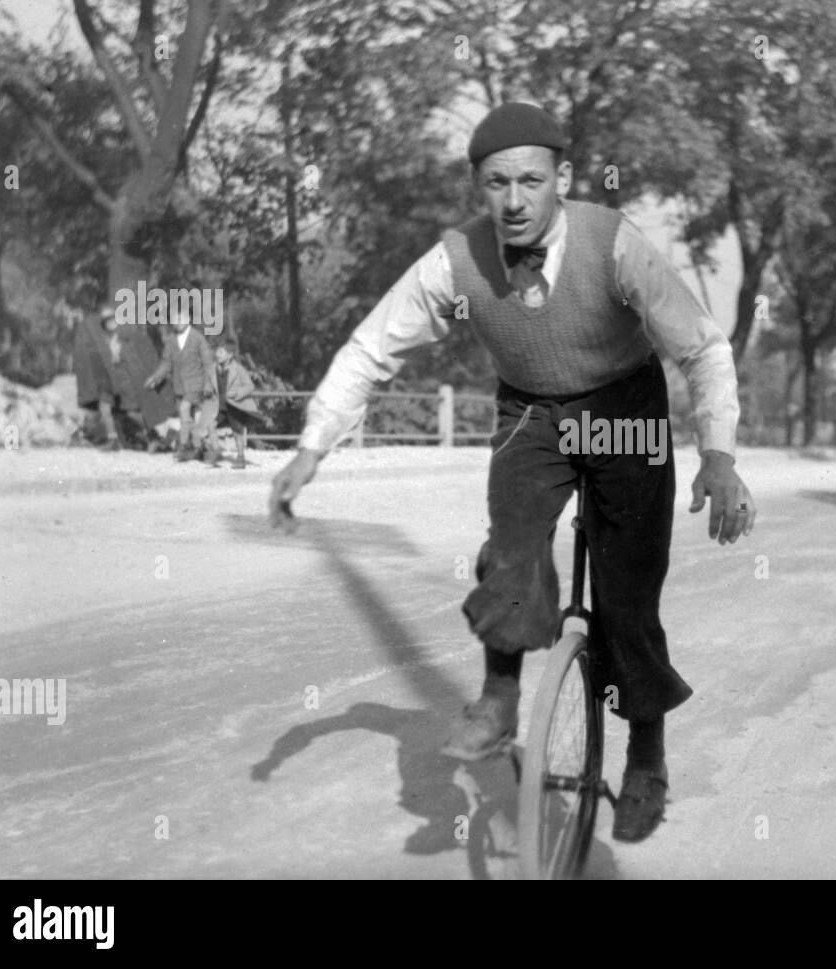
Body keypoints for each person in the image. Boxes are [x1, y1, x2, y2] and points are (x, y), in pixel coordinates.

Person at [268, 102, 755, 843]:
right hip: (531, 412)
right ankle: (498, 701)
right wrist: (311, 447)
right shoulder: (456, 261)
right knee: (514, 543)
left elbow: (703, 348)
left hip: (625, 409)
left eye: (532, 179)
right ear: (479, 186)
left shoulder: (613, 243)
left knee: (628, 593)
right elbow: (373, 348)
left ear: (562, 178)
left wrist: (717, 457)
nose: (516, 200)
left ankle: (647, 757)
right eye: (498, 182)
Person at [144, 308, 220, 464]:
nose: (177, 322)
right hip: (179, 387)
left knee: (188, 412)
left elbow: (208, 364)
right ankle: (197, 448)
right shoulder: (171, 341)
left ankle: (187, 447)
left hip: (196, 385)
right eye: (174, 319)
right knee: (188, 418)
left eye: (180, 318)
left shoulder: (198, 338)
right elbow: (166, 363)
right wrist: (156, 378)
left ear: (188, 319)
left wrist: (208, 384)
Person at [95, 307, 151, 451]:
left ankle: (152, 432)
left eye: (112, 319)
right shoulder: (104, 339)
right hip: (109, 381)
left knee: (132, 412)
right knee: (104, 407)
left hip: (125, 380)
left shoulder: (125, 337)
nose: (111, 322)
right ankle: (113, 439)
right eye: (107, 320)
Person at [213, 338, 261, 470]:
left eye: (221, 352)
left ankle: (241, 457)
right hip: (219, 406)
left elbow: (250, 386)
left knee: (237, 432)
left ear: (230, 355)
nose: (217, 354)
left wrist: (236, 393)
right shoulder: (214, 368)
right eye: (217, 352)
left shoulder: (238, 369)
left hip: (234, 406)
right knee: (209, 426)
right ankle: (215, 453)